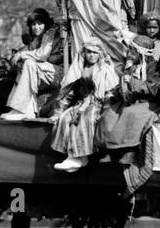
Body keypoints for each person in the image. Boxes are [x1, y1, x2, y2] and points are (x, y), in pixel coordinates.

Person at [51, 42, 121, 173]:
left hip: (98, 104)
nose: (92, 55)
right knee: (66, 117)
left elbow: (111, 92)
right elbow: (69, 92)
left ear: (100, 54)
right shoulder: (79, 68)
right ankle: (74, 157)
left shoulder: (105, 69)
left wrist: (107, 110)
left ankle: (78, 156)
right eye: (89, 52)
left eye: (95, 52)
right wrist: (59, 111)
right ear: (84, 53)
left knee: (86, 119)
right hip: (81, 101)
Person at [1, 8, 65, 121]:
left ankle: (21, 109)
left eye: (40, 24)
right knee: (26, 65)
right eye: (33, 24)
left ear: (46, 23)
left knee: (29, 63)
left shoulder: (51, 33)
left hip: (57, 73)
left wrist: (22, 54)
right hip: (42, 72)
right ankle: (22, 109)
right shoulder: (34, 40)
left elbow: (42, 55)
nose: (36, 27)